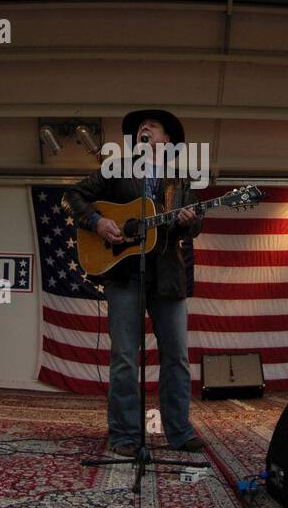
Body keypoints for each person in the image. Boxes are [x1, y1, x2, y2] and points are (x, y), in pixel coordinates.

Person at [64, 109, 206, 456]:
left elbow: (194, 228)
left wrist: (187, 220)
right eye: (142, 126)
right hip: (124, 275)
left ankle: (179, 432)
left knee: (177, 357)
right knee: (125, 357)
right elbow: (73, 196)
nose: (146, 128)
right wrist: (98, 222)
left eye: (153, 126)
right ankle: (125, 435)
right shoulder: (117, 169)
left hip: (168, 277)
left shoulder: (180, 181)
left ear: (167, 140)